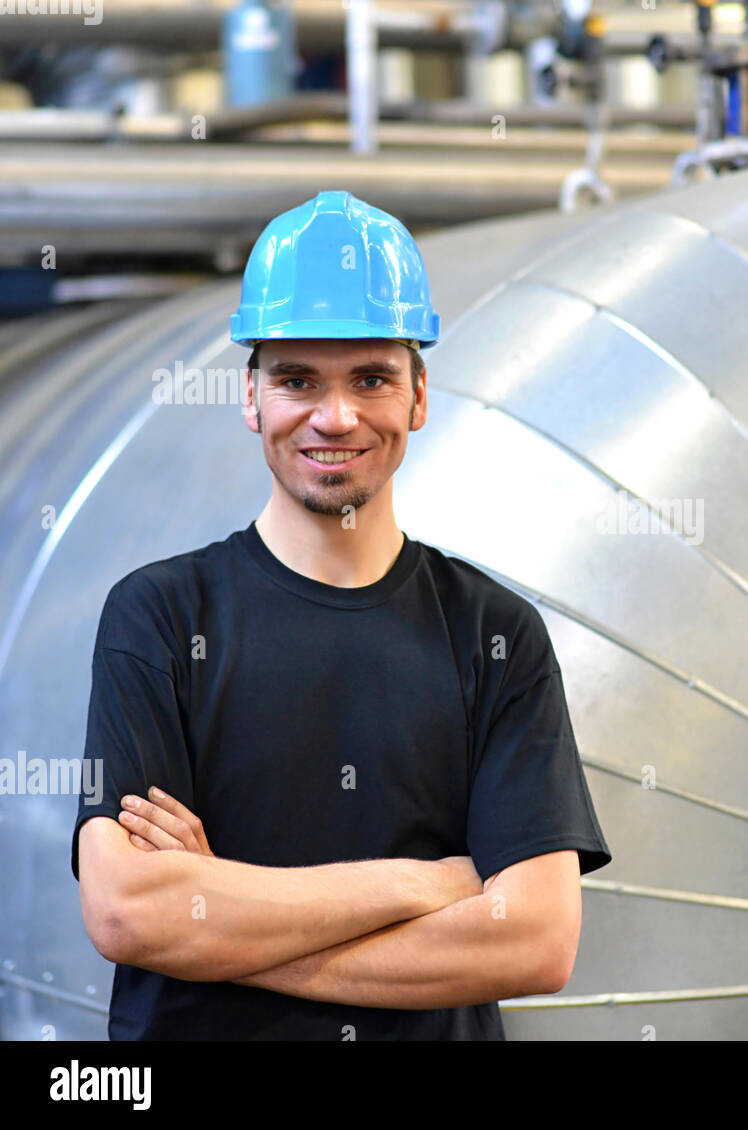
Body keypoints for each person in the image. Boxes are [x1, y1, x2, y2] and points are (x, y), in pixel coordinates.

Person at [71, 190, 612, 1040]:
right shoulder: (162, 617)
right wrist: (416, 884)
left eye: (370, 378)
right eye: (297, 380)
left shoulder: (495, 635)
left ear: (419, 396)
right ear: (251, 397)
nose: (335, 416)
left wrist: (222, 911)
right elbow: (129, 915)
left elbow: (535, 942)